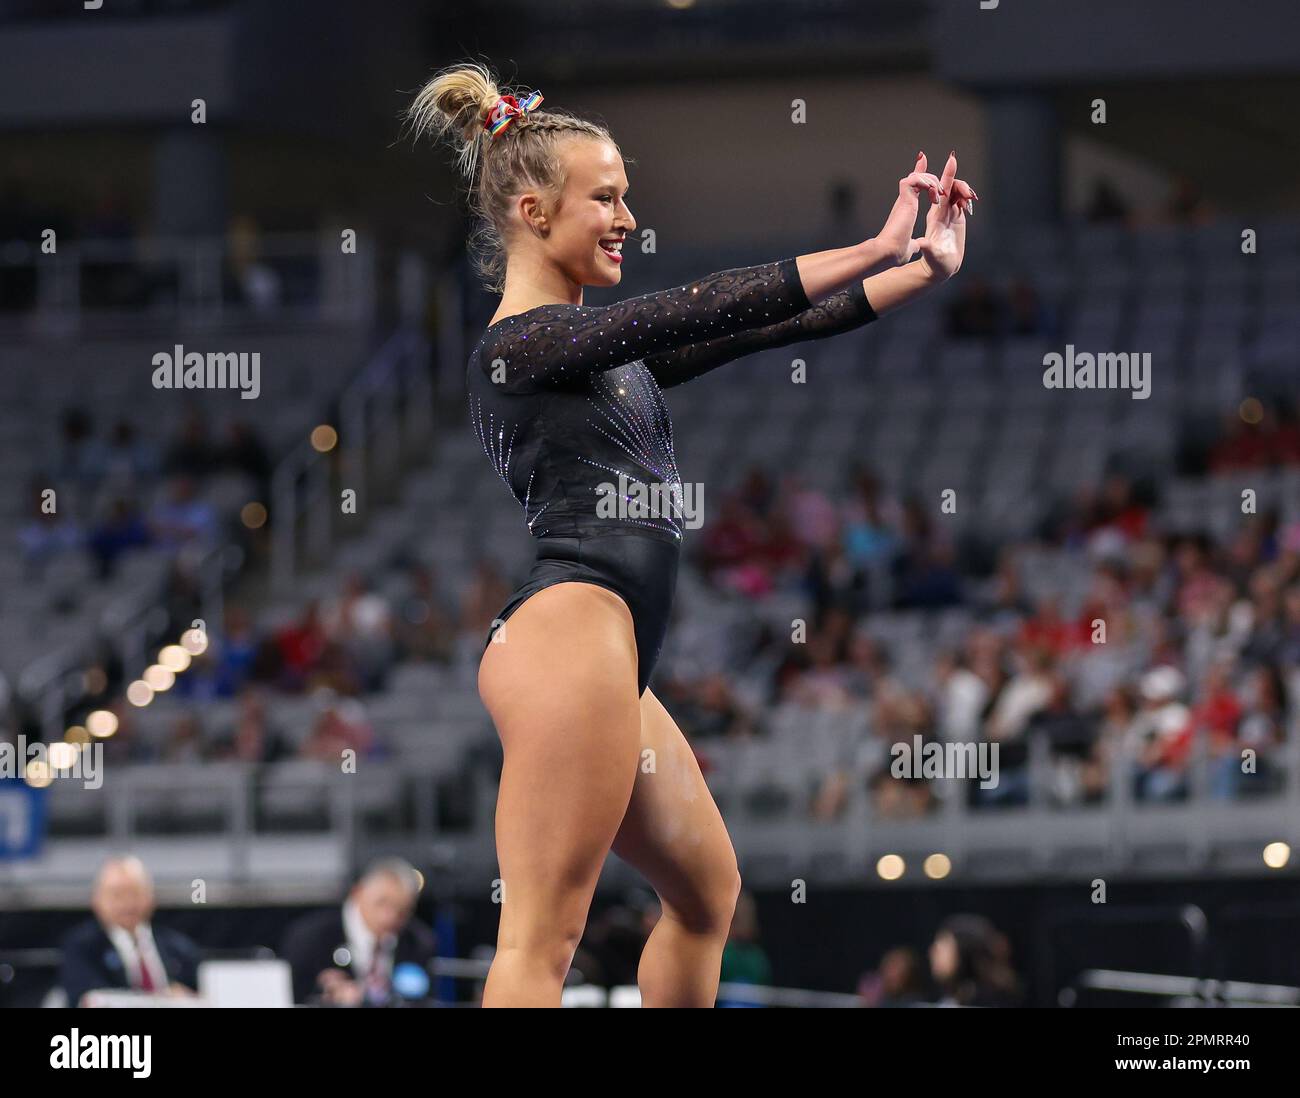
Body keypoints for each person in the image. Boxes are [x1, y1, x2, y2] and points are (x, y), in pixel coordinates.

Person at [402, 61, 978, 1007]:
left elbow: (771, 327)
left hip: (609, 653)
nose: (628, 218)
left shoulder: (601, 357)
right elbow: (703, 303)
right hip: (567, 633)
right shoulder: (519, 346)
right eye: (608, 198)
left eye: (628, 197)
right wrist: (876, 243)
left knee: (709, 895)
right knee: (544, 934)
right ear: (536, 213)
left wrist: (923, 266)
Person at [280, 858, 436, 1006]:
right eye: (382, 903)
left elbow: (422, 997)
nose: (391, 917)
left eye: (403, 910)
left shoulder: (418, 942)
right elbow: (293, 995)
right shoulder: (309, 938)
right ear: (358, 892)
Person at [59, 856, 200, 1007]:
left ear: (151, 897)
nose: (127, 903)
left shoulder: (179, 948)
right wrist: (161, 1001)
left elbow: (202, 994)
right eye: (116, 894)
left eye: (135, 893)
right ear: (97, 900)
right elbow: (88, 999)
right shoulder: (82, 947)